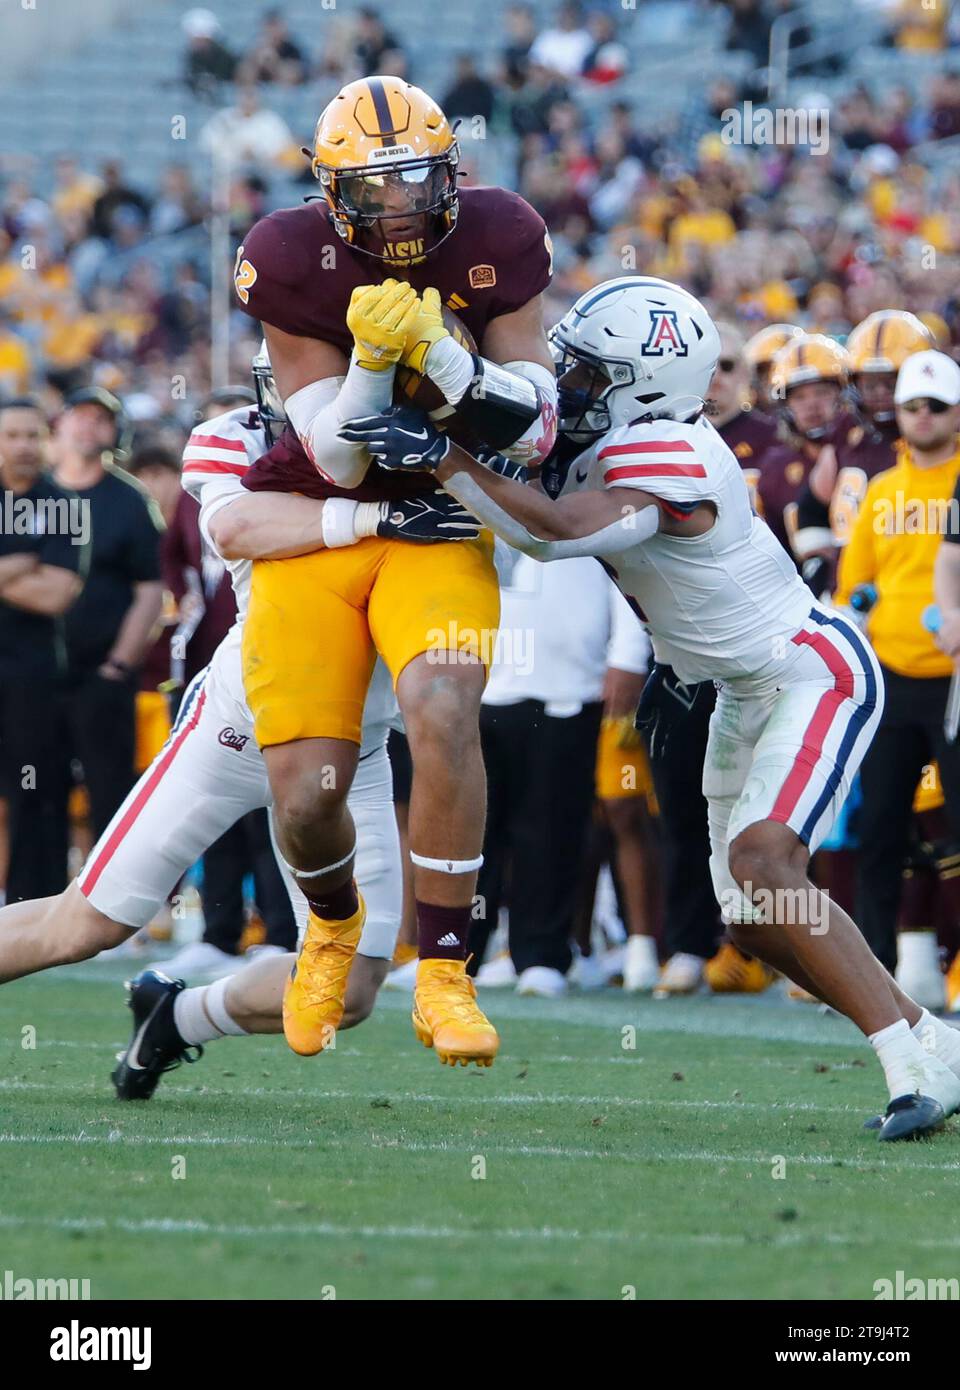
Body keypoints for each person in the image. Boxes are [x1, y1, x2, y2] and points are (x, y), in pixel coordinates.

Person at [343, 277, 960, 1142]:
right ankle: (932, 1038)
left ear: (645, 383)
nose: (571, 388)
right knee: (750, 920)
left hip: (809, 671)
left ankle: (913, 1063)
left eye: (592, 376)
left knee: (764, 864)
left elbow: (553, 529)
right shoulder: (607, 432)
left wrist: (442, 455)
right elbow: (511, 434)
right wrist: (436, 373)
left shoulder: (673, 448)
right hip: (734, 689)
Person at [0, 382, 480, 1101]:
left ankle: (176, 1018)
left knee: (350, 994)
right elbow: (237, 528)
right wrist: (382, 515)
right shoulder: (241, 437)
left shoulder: (430, 451)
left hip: (357, 750)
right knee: (86, 924)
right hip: (234, 730)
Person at [232, 77, 558, 1069]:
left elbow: (538, 428)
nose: (401, 208)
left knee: (448, 705)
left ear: (452, 172)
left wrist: (448, 367)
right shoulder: (284, 259)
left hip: (437, 513)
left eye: (417, 181)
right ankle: (330, 927)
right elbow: (335, 455)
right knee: (303, 793)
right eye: (372, 191)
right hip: (324, 526)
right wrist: (378, 361)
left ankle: (447, 967)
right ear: (330, 193)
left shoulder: (501, 234)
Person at [837, 350, 960, 978]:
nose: (923, 416)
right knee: (880, 826)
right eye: (914, 405)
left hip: (956, 678)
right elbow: (852, 587)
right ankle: (875, 973)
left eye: (937, 405)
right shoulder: (882, 490)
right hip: (889, 677)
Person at [51, 388, 164, 843]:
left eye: (100, 419)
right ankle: (31, 906)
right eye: (79, 416)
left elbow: (151, 590)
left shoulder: (130, 502)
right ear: (58, 425)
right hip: (33, 676)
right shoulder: (28, 494)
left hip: (102, 676)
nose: (87, 426)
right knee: (33, 796)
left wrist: (118, 664)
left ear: (115, 431)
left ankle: (104, 911)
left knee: (110, 798)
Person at [0, 398, 84, 902]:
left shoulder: (64, 505)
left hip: (33, 674)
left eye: (32, 435)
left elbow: (57, 593)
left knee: (34, 788)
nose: (23, 446)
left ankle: (32, 902)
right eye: (12, 436)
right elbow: (41, 581)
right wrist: (24, 564)